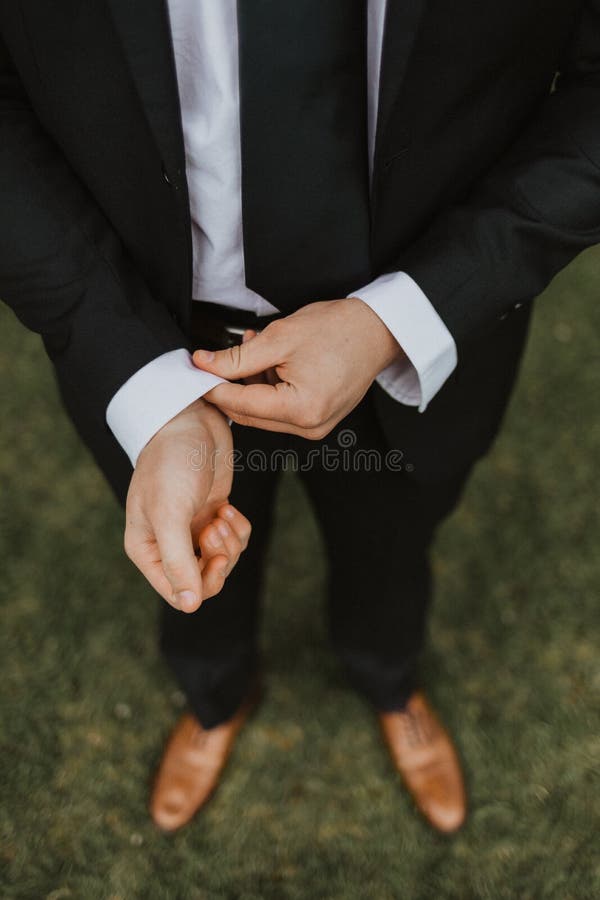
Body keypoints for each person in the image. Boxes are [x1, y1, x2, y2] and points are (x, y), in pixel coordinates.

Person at [1, 0, 598, 835]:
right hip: (157, 334)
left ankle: (387, 677)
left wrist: (404, 318)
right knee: (196, 553)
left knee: (393, 542)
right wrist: (142, 379)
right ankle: (213, 694)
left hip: (418, 329)